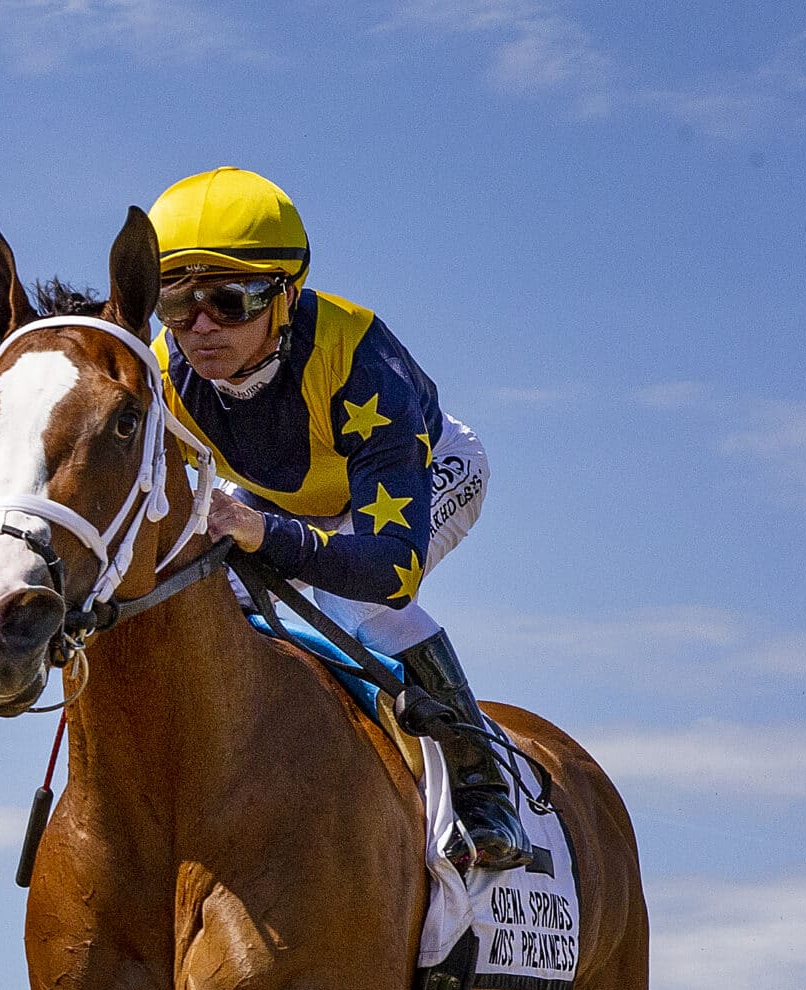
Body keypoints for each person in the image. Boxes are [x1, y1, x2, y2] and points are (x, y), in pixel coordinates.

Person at [147, 165, 526, 872]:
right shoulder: (166, 372)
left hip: (422, 473)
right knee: (205, 594)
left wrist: (265, 534)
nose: (200, 328)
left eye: (229, 301)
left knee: (352, 600)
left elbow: (389, 565)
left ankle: (482, 786)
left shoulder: (359, 361)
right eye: (177, 302)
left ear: (283, 298)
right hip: (291, 495)